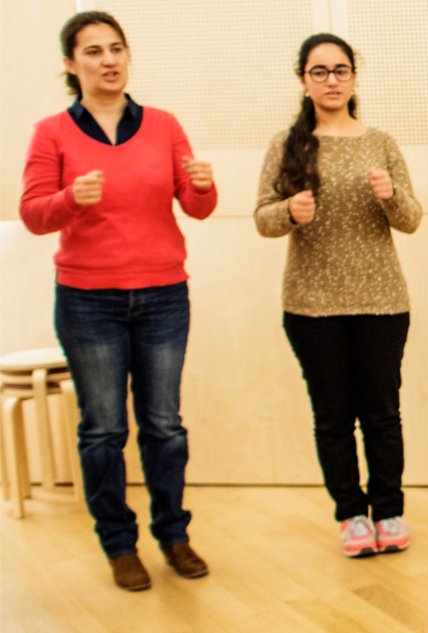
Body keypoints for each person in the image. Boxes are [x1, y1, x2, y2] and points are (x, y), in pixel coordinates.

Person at [18, 10, 215, 591]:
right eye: (94, 51)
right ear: (70, 64)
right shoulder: (52, 132)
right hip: (87, 301)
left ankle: (174, 536)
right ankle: (119, 544)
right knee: (103, 429)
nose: (108, 60)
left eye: (116, 49)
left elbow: (196, 206)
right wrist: (70, 200)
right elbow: (33, 214)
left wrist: (203, 185)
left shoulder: (163, 124)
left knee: (164, 426)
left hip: (162, 294)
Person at [254, 33, 422, 558]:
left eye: (340, 70)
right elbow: (263, 218)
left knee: (381, 414)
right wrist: (289, 213)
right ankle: (351, 515)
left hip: (382, 302)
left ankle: (389, 510)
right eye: (319, 71)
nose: (331, 80)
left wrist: (391, 197)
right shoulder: (287, 144)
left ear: (354, 77)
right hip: (311, 305)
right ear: (303, 81)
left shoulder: (381, 143)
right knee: (332, 416)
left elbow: (413, 219)